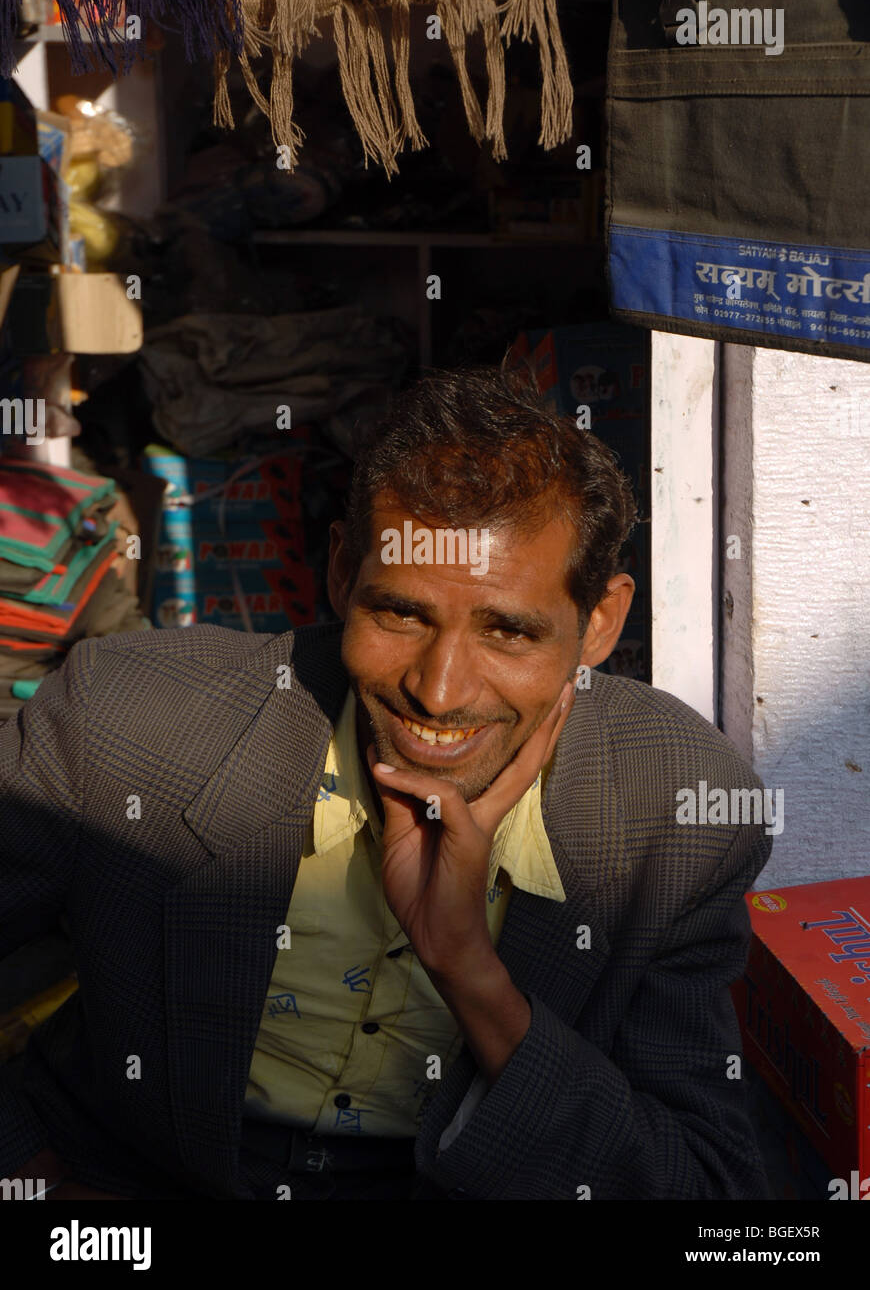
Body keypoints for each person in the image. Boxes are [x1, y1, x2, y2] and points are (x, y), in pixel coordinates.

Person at [0, 365, 772, 1201]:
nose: (438, 692)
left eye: (508, 631)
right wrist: (32, 1173)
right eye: (400, 614)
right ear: (341, 577)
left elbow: (705, 1194)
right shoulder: (127, 719)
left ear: (601, 624)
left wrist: (474, 975)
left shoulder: (680, 813)